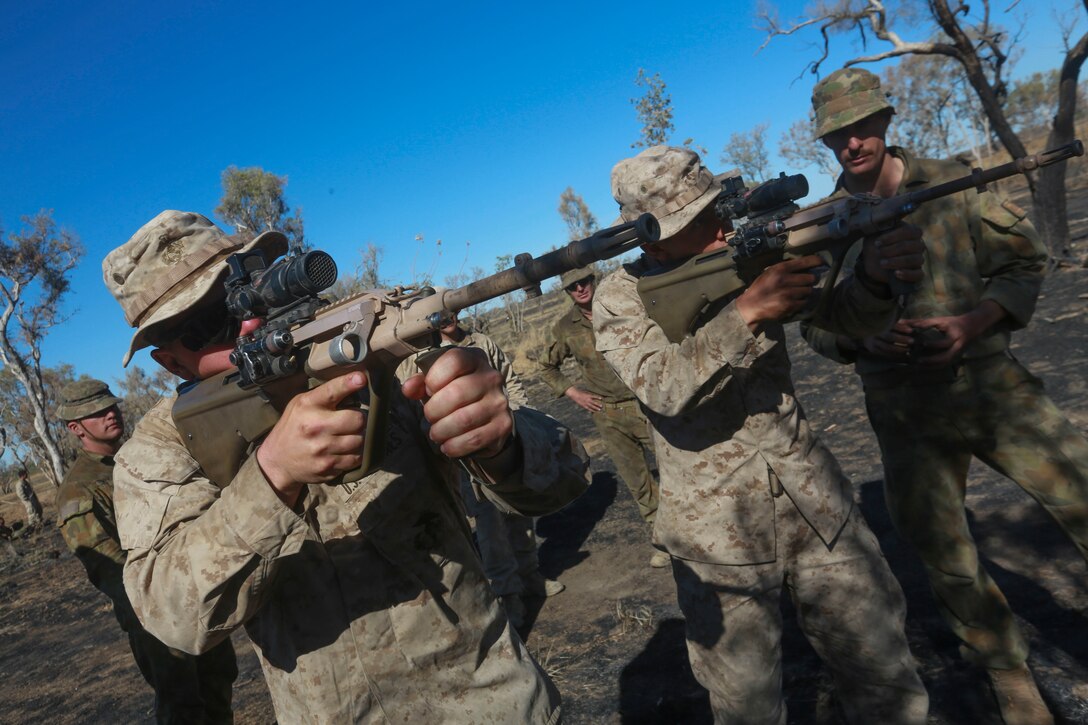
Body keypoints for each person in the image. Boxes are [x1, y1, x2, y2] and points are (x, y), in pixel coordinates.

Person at [102, 210, 589, 723]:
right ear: (172, 364)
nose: (248, 323)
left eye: (246, 292)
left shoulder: (372, 346)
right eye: (206, 326)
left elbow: (565, 477)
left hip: (497, 701)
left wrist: (502, 442)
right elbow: (175, 617)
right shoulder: (159, 450)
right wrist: (270, 477)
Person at [592, 145, 930, 723]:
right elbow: (661, 387)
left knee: (884, 672)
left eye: (715, 212)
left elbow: (842, 320)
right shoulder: (619, 298)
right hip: (715, 535)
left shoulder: (752, 249)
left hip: (816, 500)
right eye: (695, 225)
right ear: (648, 239)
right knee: (747, 705)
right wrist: (747, 312)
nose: (718, 230)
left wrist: (873, 282)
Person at [802, 67, 1088, 725]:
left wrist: (972, 323)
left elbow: (1023, 259)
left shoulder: (952, 184)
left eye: (863, 125)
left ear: (887, 119)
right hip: (903, 414)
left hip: (993, 387)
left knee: (1080, 490)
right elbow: (814, 327)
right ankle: (1008, 672)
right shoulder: (822, 229)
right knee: (943, 550)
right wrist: (865, 343)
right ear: (824, 142)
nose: (853, 142)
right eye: (837, 133)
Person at [55, 378, 237, 724]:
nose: (110, 414)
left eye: (111, 405)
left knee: (218, 683)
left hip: (194, 594)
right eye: (97, 412)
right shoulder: (79, 491)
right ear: (76, 428)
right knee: (183, 706)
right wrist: (161, 596)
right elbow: (108, 569)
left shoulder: (143, 457)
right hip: (153, 616)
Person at [397, 313, 565, 630]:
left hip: (506, 442)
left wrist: (515, 422)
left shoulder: (480, 342)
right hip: (463, 459)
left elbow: (509, 382)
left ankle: (531, 578)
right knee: (491, 529)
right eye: (436, 316)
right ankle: (508, 596)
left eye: (448, 312)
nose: (445, 320)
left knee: (521, 515)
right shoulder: (416, 359)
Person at [539, 264, 666, 568]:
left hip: (646, 401)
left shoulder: (623, 304)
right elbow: (546, 366)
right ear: (568, 292)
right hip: (607, 413)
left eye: (583, 281)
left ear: (592, 280)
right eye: (573, 286)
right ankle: (665, 541)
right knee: (637, 480)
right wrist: (573, 392)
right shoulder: (565, 328)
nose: (580, 288)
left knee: (675, 467)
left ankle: (697, 531)